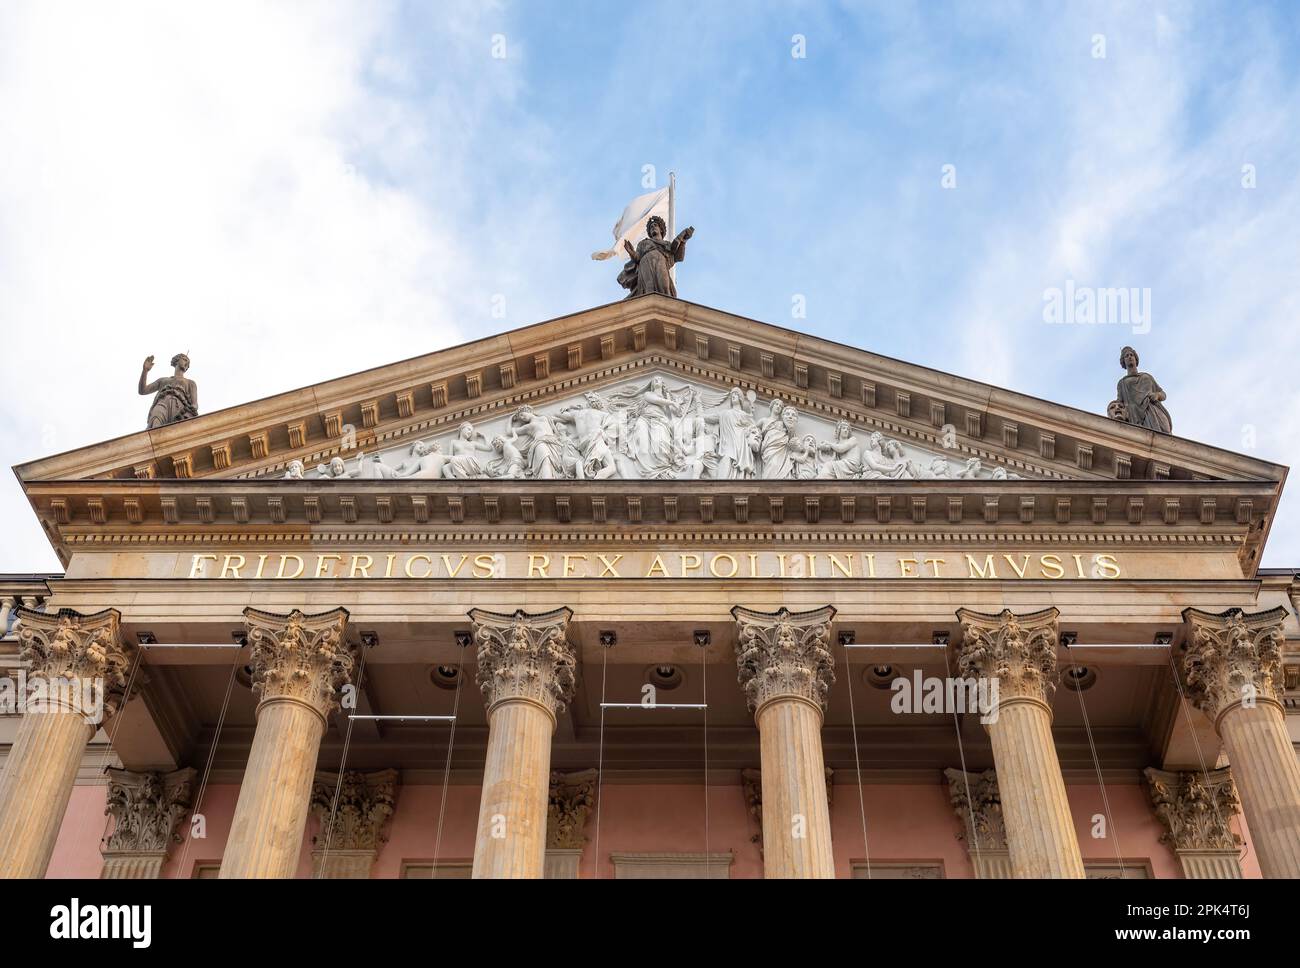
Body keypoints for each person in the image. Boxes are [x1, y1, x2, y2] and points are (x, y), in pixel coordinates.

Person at [617, 216, 694, 298]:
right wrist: (631, 253)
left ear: (661, 229)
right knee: (648, 290)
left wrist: (683, 241)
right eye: (651, 227)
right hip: (645, 265)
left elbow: (678, 257)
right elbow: (637, 258)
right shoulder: (643, 243)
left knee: (664, 288)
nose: (653, 228)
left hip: (660, 264)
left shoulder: (667, 244)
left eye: (655, 225)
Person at [1109, 346, 1172, 433]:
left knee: (1165, 433)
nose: (1130, 357)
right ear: (1123, 361)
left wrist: (1157, 395)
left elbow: (1163, 394)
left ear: (1136, 358)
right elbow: (1120, 402)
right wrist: (1113, 409)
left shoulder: (1146, 376)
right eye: (1126, 356)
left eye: (1132, 355)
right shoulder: (1122, 383)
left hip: (1153, 409)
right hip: (1135, 415)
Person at [139, 353, 198, 429]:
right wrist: (145, 371)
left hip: (180, 407)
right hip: (162, 403)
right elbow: (142, 390)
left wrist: (190, 411)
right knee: (155, 424)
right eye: (184, 359)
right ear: (176, 360)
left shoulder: (190, 383)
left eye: (188, 363)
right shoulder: (163, 380)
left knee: (177, 432)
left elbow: (194, 404)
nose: (186, 363)